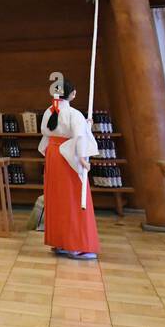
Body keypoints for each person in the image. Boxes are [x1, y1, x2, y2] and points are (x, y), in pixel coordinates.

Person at [39, 78, 99, 259]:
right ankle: (76, 245)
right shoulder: (73, 113)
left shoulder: (49, 112)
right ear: (71, 94)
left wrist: (86, 125)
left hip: (53, 154)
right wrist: (82, 158)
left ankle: (60, 242)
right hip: (69, 157)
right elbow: (79, 137)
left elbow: (54, 132)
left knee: (57, 197)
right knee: (73, 198)